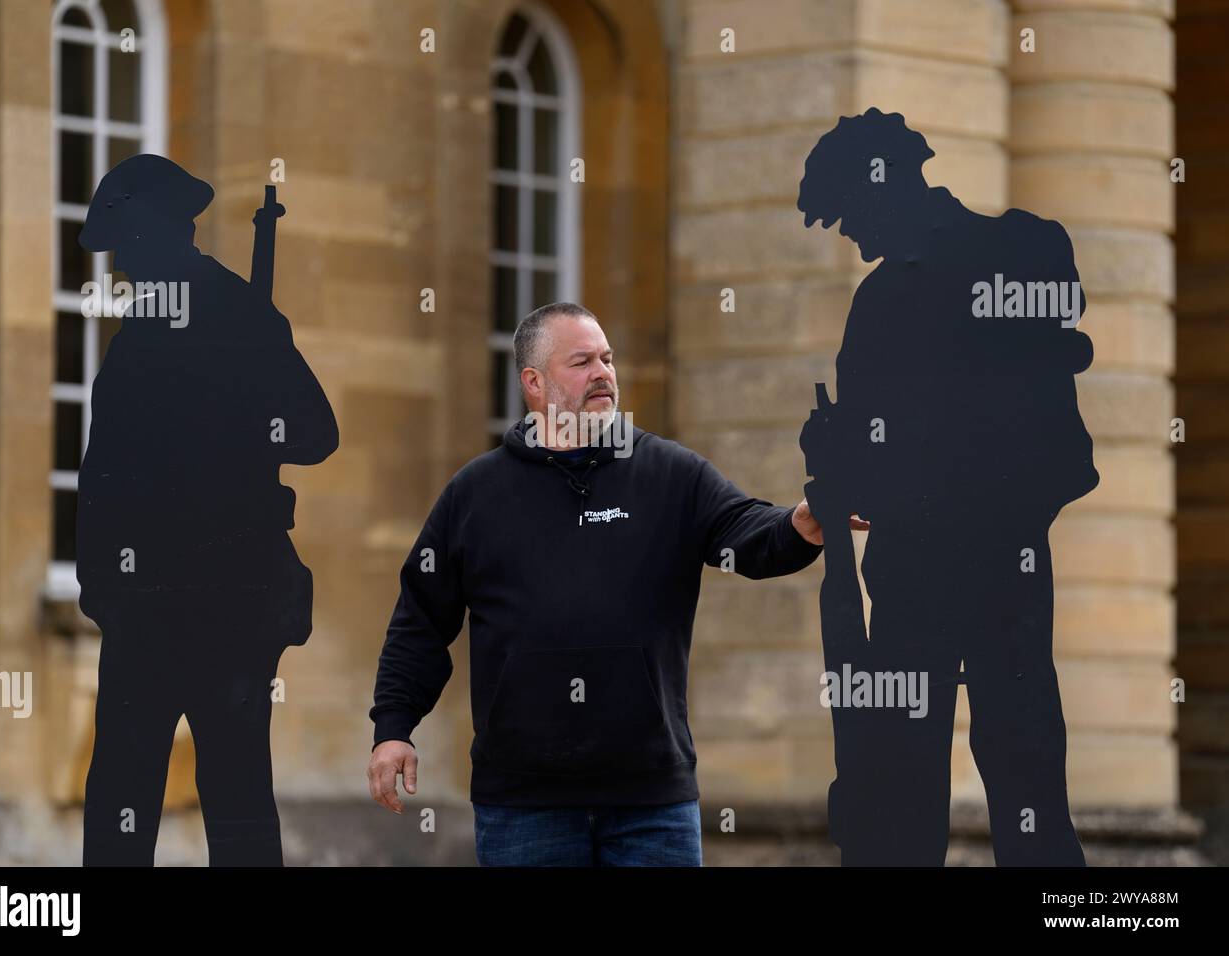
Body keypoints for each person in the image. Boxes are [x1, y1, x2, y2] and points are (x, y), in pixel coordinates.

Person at [367, 302, 848, 866]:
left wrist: (804, 522)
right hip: (525, 806)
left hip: (650, 803)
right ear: (535, 382)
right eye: (581, 361)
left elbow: (747, 533)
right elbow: (419, 622)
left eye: (608, 358)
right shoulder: (475, 495)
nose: (603, 373)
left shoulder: (671, 474)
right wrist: (393, 728)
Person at [796, 108, 1097, 866]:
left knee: (1021, 769)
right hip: (917, 571)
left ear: (887, 183)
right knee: (899, 787)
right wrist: (837, 455)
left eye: (853, 215)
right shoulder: (880, 301)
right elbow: (871, 459)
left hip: (994, 561)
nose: (853, 238)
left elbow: (1043, 383)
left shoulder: (1018, 244)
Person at [77, 154, 338, 865]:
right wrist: (101, 588)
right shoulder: (137, 341)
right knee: (121, 806)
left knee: (236, 800)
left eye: (127, 249)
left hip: (229, 600)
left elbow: (316, 433)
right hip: (143, 605)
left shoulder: (243, 317)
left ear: (164, 234)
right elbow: (101, 476)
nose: (122, 270)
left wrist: (249, 420)